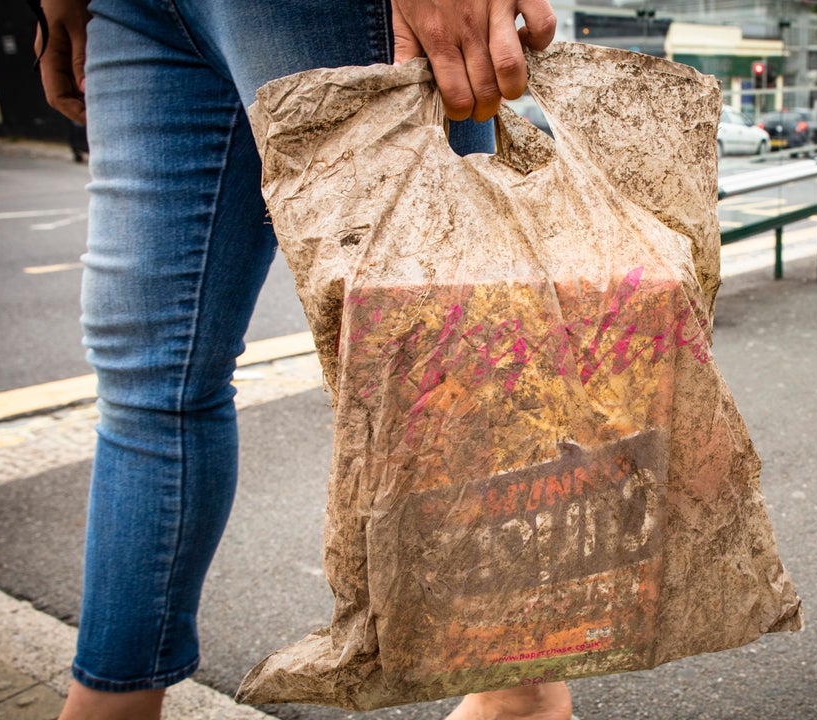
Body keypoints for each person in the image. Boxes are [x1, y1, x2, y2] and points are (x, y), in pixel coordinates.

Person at [32, 1, 571, 719]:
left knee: (439, 354)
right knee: (149, 377)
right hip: (130, 10)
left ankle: (520, 694)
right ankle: (108, 705)